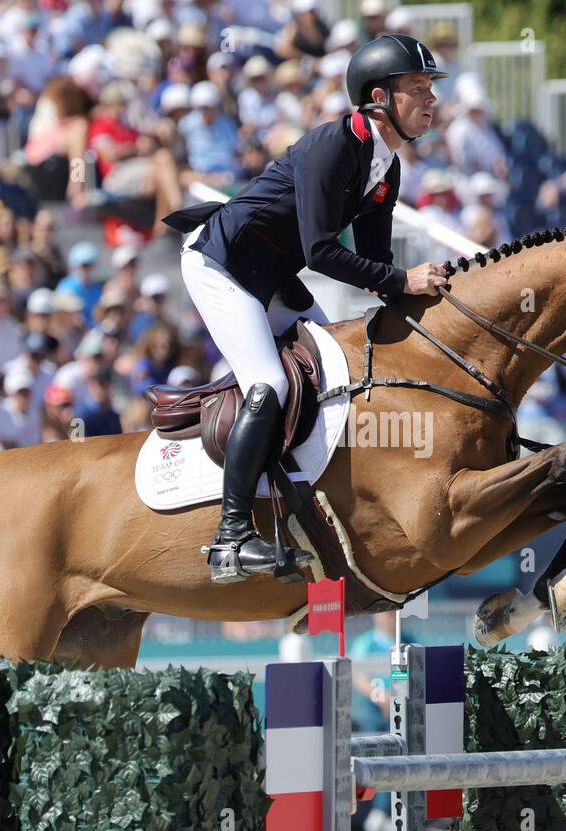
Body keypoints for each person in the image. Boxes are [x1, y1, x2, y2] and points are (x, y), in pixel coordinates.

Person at [161, 34, 451, 584]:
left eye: (430, 89)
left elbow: (377, 264)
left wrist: (434, 306)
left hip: (270, 275)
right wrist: (402, 280)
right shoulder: (335, 144)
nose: (430, 100)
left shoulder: (385, 167)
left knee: (339, 370)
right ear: (378, 97)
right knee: (268, 383)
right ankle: (230, 537)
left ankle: (307, 502)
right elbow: (322, 251)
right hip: (221, 265)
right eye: (417, 88)